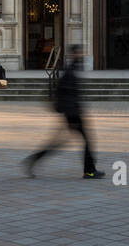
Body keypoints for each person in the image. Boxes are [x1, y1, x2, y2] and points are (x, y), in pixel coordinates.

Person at [23, 44, 105, 179]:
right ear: (74, 54)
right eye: (79, 53)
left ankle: (33, 160)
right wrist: (72, 116)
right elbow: (65, 95)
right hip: (72, 115)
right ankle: (89, 171)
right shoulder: (70, 72)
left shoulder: (73, 69)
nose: (82, 55)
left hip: (72, 113)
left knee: (58, 143)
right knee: (85, 141)